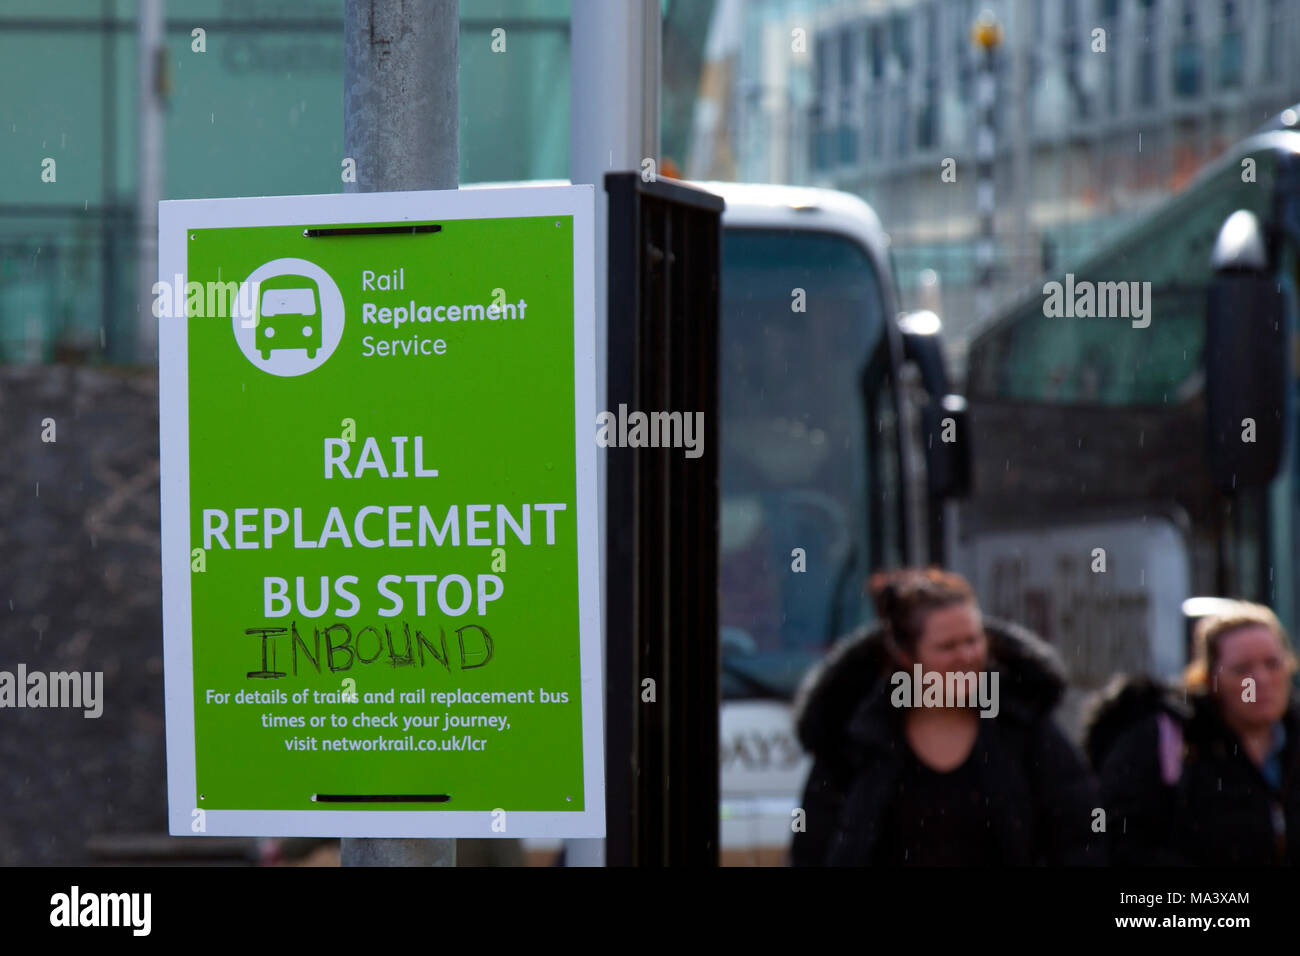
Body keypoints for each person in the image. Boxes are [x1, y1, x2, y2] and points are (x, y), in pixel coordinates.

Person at [790, 567, 1103, 866]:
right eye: (947, 647)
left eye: (972, 641)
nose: (966, 657)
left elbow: (1079, 837)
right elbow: (815, 847)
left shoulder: (1021, 724)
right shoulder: (858, 737)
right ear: (906, 657)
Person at [1085, 600, 1300, 866]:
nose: (1261, 680)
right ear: (1211, 679)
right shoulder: (1169, 741)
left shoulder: (1292, 741)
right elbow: (1122, 844)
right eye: (1242, 669)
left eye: (1273, 664)